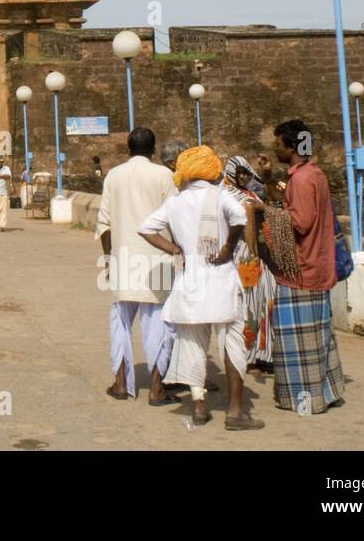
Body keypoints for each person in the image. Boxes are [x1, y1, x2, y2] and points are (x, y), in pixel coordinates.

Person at [139, 146, 264, 430]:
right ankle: (234, 412)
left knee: (193, 345)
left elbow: (145, 228)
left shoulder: (176, 202)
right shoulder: (221, 195)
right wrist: (228, 247)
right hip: (220, 280)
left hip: (189, 283)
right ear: (210, 168)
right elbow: (241, 219)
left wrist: (174, 248)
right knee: (231, 344)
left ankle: (198, 406)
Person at [96, 127, 178, 404]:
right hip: (157, 261)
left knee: (119, 322)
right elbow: (176, 219)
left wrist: (108, 261)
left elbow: (104, 224)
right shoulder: (164, 175)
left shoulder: (114, 176)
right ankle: (156, 389)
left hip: (123, 260)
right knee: (159, 325)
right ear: (154, 149)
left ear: (128, 149)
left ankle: (120, 384)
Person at [269, 118, 345, 414]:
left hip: (301, 269)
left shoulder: (301, 179)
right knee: (319, 336)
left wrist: (267, 211)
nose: (275, 149)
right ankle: (326, 392)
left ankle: (306, 400)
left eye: (278, 144)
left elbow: (300, 221)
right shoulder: (314, 174)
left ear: (290, 146)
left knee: (298, 340)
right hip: (317, 266)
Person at [224, 155, 275, 373]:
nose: (243, 177)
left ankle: (265, 353)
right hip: (244, 255)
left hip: (258, 256)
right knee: (249, 306)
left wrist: (266, 175)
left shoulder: (250, 193)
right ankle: (248, 356)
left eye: (246, 173)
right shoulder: (228, 194)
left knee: (266, 299)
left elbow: (271, 204)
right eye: (240, 173)